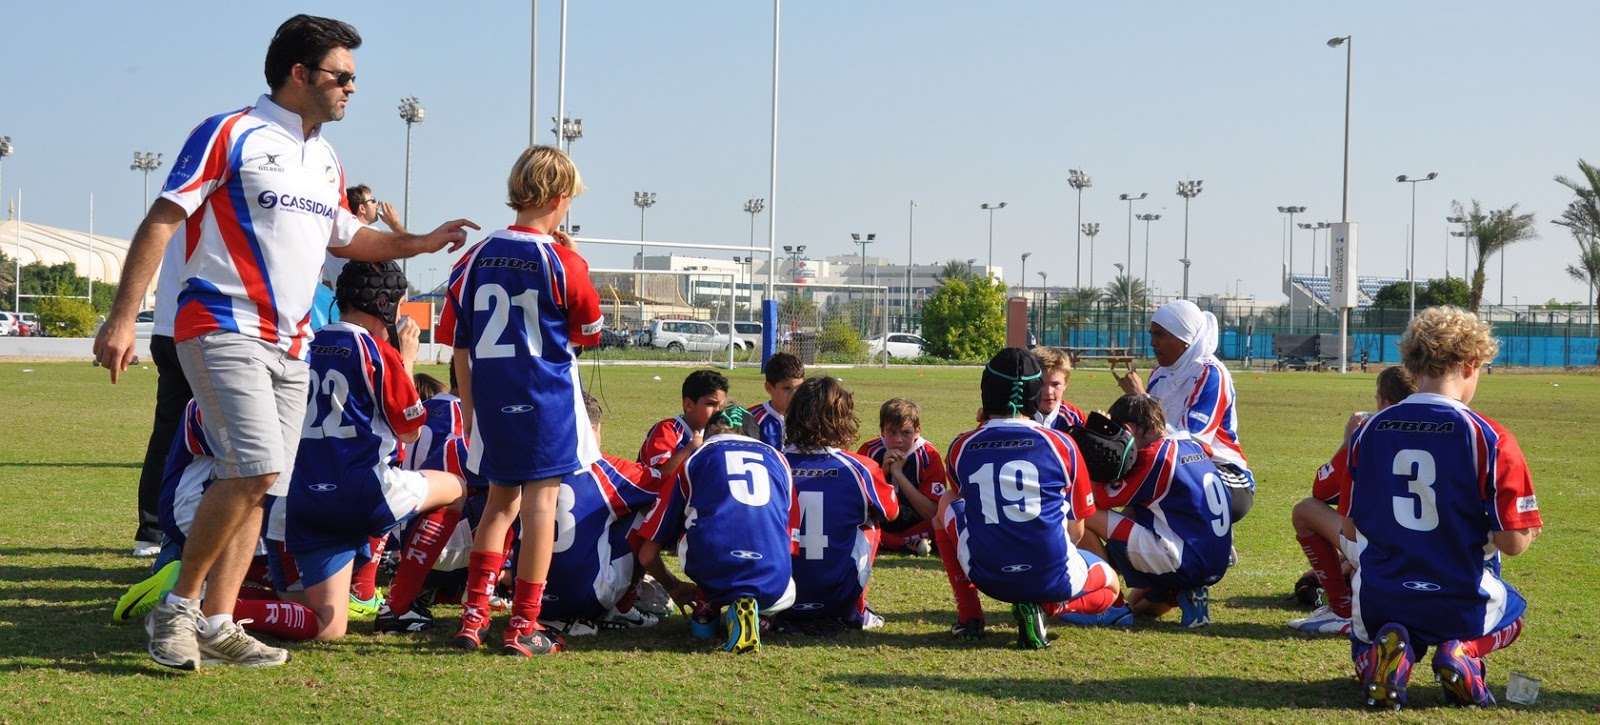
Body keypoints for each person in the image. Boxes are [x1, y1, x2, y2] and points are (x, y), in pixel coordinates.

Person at [92, 14, 476, 671]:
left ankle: (217, 619)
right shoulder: (229, 132)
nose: (353, 88)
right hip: (220, 325)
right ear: (300, 74)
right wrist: (122, 317)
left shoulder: (325, 156)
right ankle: (177, 610)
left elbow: (348, 239)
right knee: (254, 467)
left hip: (293, 343)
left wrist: (417, 241)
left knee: (264, 484)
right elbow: (161, 218)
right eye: (342, 76)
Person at [434, 144, 601, 657]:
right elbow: (589, 332)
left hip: (490, 401)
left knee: (498, 506)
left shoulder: (476, 256)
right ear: (558, 197)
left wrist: (469, 402)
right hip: (546, 402)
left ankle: (473, 618)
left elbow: (457, 342)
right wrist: (573, 258)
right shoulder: (562, 261)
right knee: (540, 508)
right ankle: (524, 624)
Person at [1342, 307, 1541, 710]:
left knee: (1376, 635)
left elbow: (1348, 527)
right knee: (1514, 612)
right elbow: (1513, 542)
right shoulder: (1490, 437)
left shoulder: (1368, 431)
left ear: (1412, 365)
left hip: (1382, 594)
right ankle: (1462, 652)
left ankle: (1384, 658)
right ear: (1471, 363)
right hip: (1459, 596)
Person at [271, 261, 467, 641]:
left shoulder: (302, 344)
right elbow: (410, 431)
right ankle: (399, 605)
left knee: (325, 628)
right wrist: (406, 360)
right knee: (456, 488)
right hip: (361, 494)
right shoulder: (375, 351)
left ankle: (210, 607)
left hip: (299, 496)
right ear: (384, 304)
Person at [932, 348, 1121, 649]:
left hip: (987, 575)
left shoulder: (961, 446)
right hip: (1051, 573)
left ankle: (970, 616)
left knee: (945, 504)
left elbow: (959, 498)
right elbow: (1076, 532)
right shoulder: (1063, 445)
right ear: (1034, 393)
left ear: (986, 392)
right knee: (1111, 586)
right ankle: (1047, 607)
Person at [635, 404, 797, 654]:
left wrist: (673, 586)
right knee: (782, 576)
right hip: (771, 574)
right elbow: (788, 533)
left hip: (712, 567)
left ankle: (705, 609)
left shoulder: (696, 458)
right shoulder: (778, 459)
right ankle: (762, 617)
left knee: (699, 529)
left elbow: (647, 553)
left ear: (711, 433)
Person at [1074, 394, 1232, 628]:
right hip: (1213, 559)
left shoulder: (1155, 455)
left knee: (1082, 512)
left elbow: (1099, 499)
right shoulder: (1190, 443)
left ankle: (1107, 603)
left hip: (1180, 557)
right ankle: (1185, 591)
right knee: (1138, 605)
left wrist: (1094, 453)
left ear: (1128, 429)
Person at [1286, 365, 1415, 635]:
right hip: (1433, 554)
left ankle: (1341, 610)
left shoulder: (1369, 433)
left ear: (1383, 401)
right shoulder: (1448, 430)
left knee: (1305, 511)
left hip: (1385, 551)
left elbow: (1322, 490)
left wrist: (1348, 441)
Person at [1114, 299, 1254, 523]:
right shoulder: (1160, 374)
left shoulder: (1210, 374)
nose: (1152, 342)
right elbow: (1146, 434)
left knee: (1154, 487)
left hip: (1222, 473)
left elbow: (1192, 444)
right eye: (1151, 334)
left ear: (1184, 338)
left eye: (1159, 335)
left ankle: (1211, 540)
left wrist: (1142, 399)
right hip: (1173, 467)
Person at [780, 377, 898, 631]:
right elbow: (891, 511)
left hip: (778, 596)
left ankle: (765, 614)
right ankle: (856, 609)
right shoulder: (859, 467)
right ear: (842, 419)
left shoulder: (772, 461)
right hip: (836, 597)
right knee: (870, 522)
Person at [537, 393, 659, 636]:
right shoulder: (607, 470)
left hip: (531, 598)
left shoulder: (529, 466)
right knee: (643, 511)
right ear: (592, 428)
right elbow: (668, 486)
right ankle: (623, 608)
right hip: (588, 599)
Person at [856, 398, 946, 556]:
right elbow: (858, 502)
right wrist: (882, 473)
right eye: (892, 432)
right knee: (855, 521)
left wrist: (898, 474)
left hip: (916, 521)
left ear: (917, 431)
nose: (898, 439)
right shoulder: (869, 450)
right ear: (882, 431)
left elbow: (931, 513)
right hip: (880, 519)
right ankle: (906, 543)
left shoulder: (928, 456)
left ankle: (890, 542)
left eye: (906, 433)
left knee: (943, 523)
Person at [637, 370, 730, 491]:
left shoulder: (716, 432)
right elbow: (659, 477)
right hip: (655, 505)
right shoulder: (668, 429)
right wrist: (691, 448)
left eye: (722, 406)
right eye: (711, 404)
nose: (718, 411)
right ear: (688, 405)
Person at [751, 352, 804, 451]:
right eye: (788, 388)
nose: (795, 394)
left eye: (800, 388)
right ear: (769, 388)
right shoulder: (752, 420)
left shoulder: (810, 418)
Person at [1032, 346, 1087, 432]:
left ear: (1065, 384)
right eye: (1041, 384)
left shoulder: (1077, 420)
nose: (1048, 392)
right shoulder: (1017, 417)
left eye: (1055, 384)